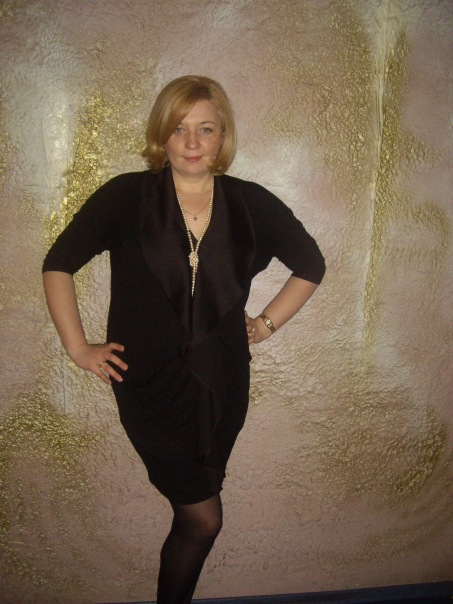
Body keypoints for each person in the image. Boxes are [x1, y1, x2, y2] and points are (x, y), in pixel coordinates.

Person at [42, 75, 325, 603]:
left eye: (206, 128)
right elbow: (59, 263)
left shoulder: (250, 203)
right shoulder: (126, 196)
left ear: (223, 136)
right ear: (161, 135)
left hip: (222, 380)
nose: (192, 142)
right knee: (203, 519)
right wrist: (78, 347)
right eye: (178, 128)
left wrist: (265, 325)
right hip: (149, 384)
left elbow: (311, 264)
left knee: (200, 513)